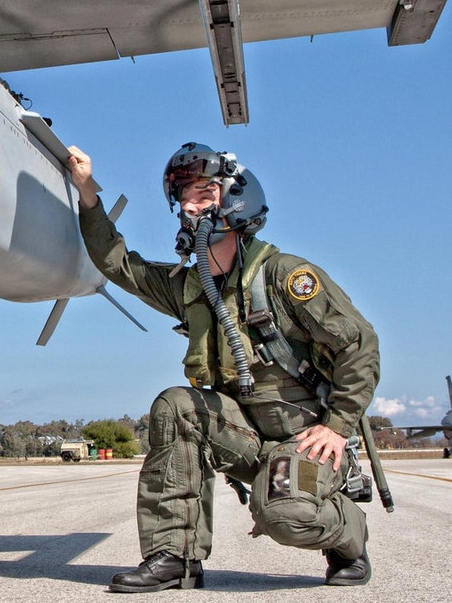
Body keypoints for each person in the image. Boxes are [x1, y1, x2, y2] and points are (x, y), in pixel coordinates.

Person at [66, 142, 380, 592]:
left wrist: (339, 424)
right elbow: (118, 265)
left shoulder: (285, 276)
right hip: (244, 433)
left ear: (234, 197)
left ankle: (348, 531)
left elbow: (359, 343)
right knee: (176, 406)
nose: (191, 206)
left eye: (204, 192)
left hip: (306, 437)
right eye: (184, 196)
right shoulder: (191, 285)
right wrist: (88, 195)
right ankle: (175, 557)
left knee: (286, 517)